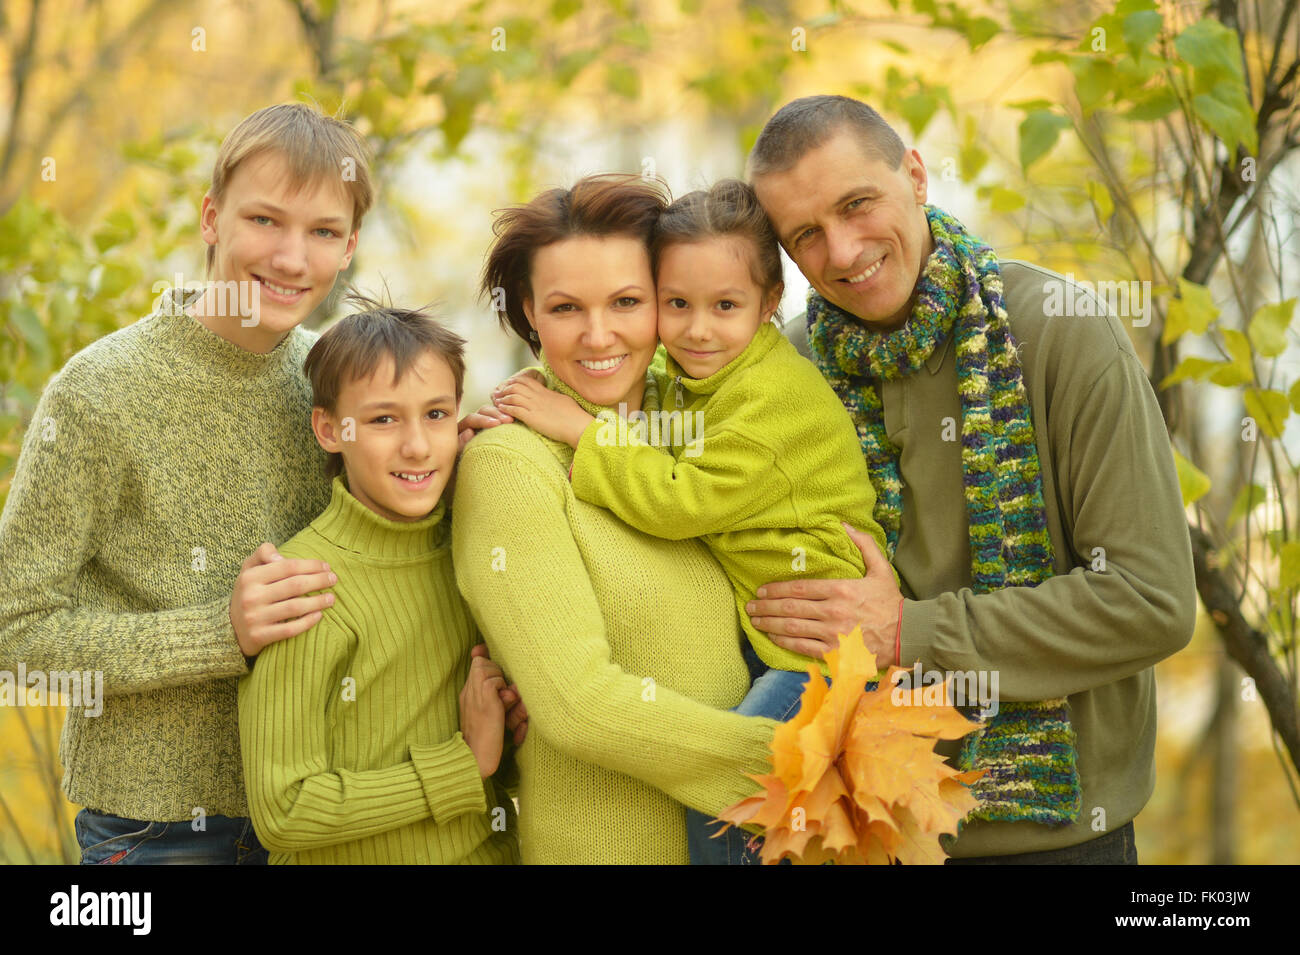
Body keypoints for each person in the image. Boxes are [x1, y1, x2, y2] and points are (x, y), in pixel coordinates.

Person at [743, 94, 1197, 863]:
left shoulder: (1060, 332)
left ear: (916, 176)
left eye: (858, 205)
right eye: (807, 236)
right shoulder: (783, 373)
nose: (845, 251)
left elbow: (1149, 601)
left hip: (1054, 840)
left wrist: (903, 633)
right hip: (854, 832)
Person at [0, 103, 372, 864]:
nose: (293, 258)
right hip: (153, 832)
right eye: (265, 220)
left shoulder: (341, 386)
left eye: (323, 232)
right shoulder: (98, 392)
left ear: (350, 248)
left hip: (321, 812)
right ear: (211, 218)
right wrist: (216, 632)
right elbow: (14, 635)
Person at [493, 178, 898, 864]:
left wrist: (579, 430)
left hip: (815, 649)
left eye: (627, 302)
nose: (696, 328)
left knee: (732, 808)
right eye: (676, 304)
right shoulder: (692, 382)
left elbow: (679, 499)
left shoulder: (768, 401)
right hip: (775, 644)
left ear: (772, 304)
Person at [453, 174, 781, 864]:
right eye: (567, 307)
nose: (599, 335)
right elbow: (578, 704)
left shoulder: (704, 423)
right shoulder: (510, 464)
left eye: (627, 301)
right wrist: (800, 756)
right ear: (529, 313)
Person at [238, 301, 522, 864]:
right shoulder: (305, 587)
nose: (417, 445)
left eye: (436, 414)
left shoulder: (471, 553)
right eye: (383, 419)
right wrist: (462, 764)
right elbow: (285, 810)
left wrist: (510, 739)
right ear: (328, 428)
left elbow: (494, 773)